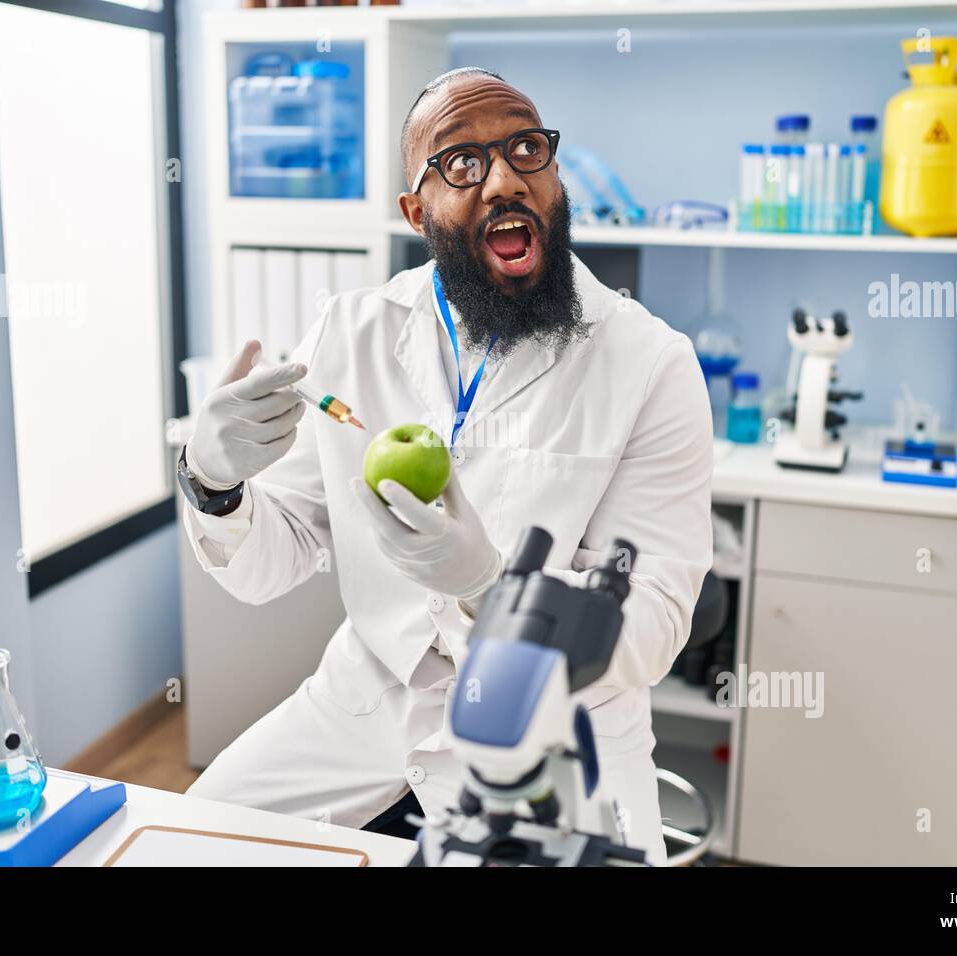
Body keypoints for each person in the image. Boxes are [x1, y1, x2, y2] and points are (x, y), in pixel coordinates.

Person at [178, 67, 713, 864]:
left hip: (555, 728)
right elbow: (270, 564)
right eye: (461, 162)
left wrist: (491, 588)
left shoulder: (651, 363)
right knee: (188, 843)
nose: (504, 178)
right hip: (369, 698)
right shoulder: (351, 330)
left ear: (555, 177)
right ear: (416, 212)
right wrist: (214, 482)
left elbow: (652, 629)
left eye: (526, 148)